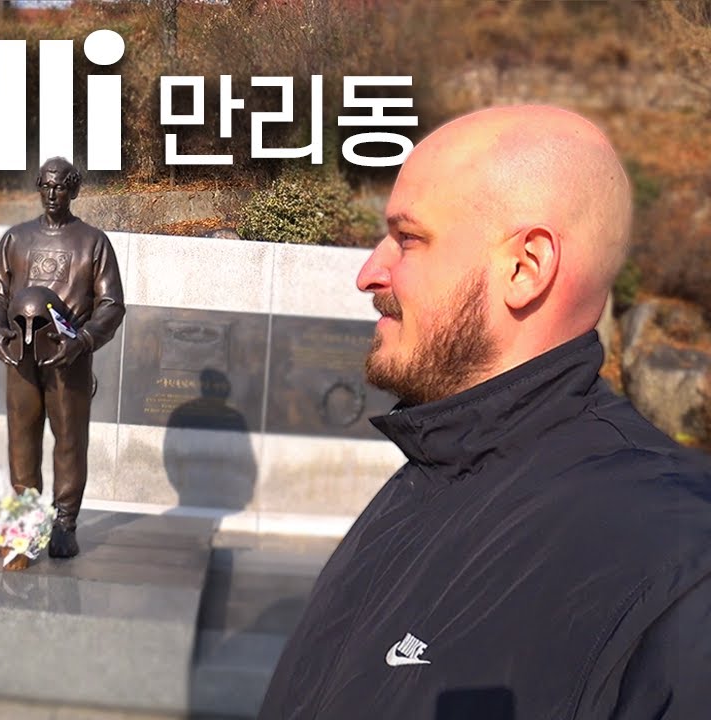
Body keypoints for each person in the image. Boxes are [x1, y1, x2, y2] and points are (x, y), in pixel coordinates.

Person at [258, 105, 711, 719]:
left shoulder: (680, 568)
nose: (369, 273)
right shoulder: (431, 472)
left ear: (526, 268)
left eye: (408, 238)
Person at [0, 157, 125, 558]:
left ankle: (65, 522)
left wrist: (83, 340)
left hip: (68, 360)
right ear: (38, 187)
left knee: (69, 443)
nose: (52, 194)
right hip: (21, 358)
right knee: (22, 440)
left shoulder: (93, 242)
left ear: (75, 189)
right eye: (46, 185)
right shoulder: (16, 239)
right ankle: (26, 517)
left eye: (61, 186)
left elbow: (112, 304)